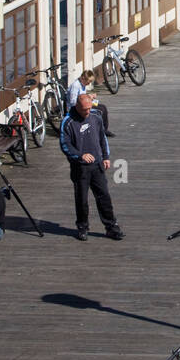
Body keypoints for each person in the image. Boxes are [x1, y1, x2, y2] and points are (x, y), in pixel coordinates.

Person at [60, 93, 123, 241]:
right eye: (84, 110)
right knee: (81, 199)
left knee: (104, 197)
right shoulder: (68, 121)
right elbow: (65, 144)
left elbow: (102, 137)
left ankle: (111, 227)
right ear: (77, 106)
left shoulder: (96, 117)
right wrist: (79, 155)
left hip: (97, 165)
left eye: (89, 109)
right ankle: (82, 227)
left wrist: (106, 157)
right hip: (80, 168)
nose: (87, 112)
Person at [66, 69, 113, 136]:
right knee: (100, 110)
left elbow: (82, 96)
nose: (89, 83)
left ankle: (104, 129)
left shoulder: (82, 84)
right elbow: (72, 101)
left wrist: (89, 97)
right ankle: (100, 131)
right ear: (83, 78)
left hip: (82, 105)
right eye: (89, 81)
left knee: (103, 107)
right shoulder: (75, 86)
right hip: (76, 108)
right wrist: (88, 98)